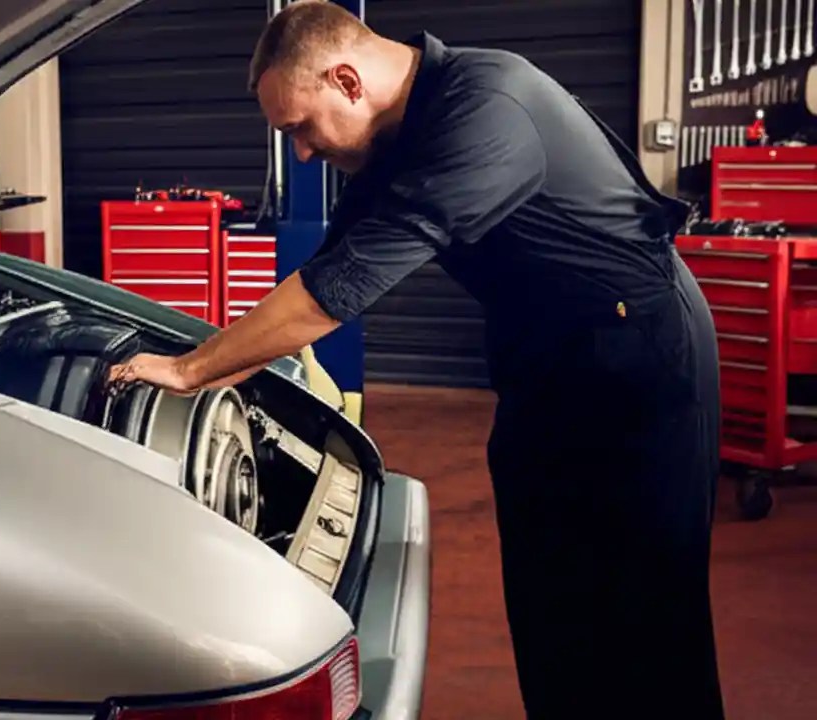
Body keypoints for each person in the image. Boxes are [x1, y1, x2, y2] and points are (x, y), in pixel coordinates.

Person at [106, 2, 726, 718]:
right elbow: (320, 276)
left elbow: (337, 292)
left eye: (300, 129)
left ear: (346, 79)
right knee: (553, 598)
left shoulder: (488, 108)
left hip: (640, 366)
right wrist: (221, 367)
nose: (302, 153)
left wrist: (190, 369)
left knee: (646, 617)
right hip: (547, 368)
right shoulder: (386, 140)